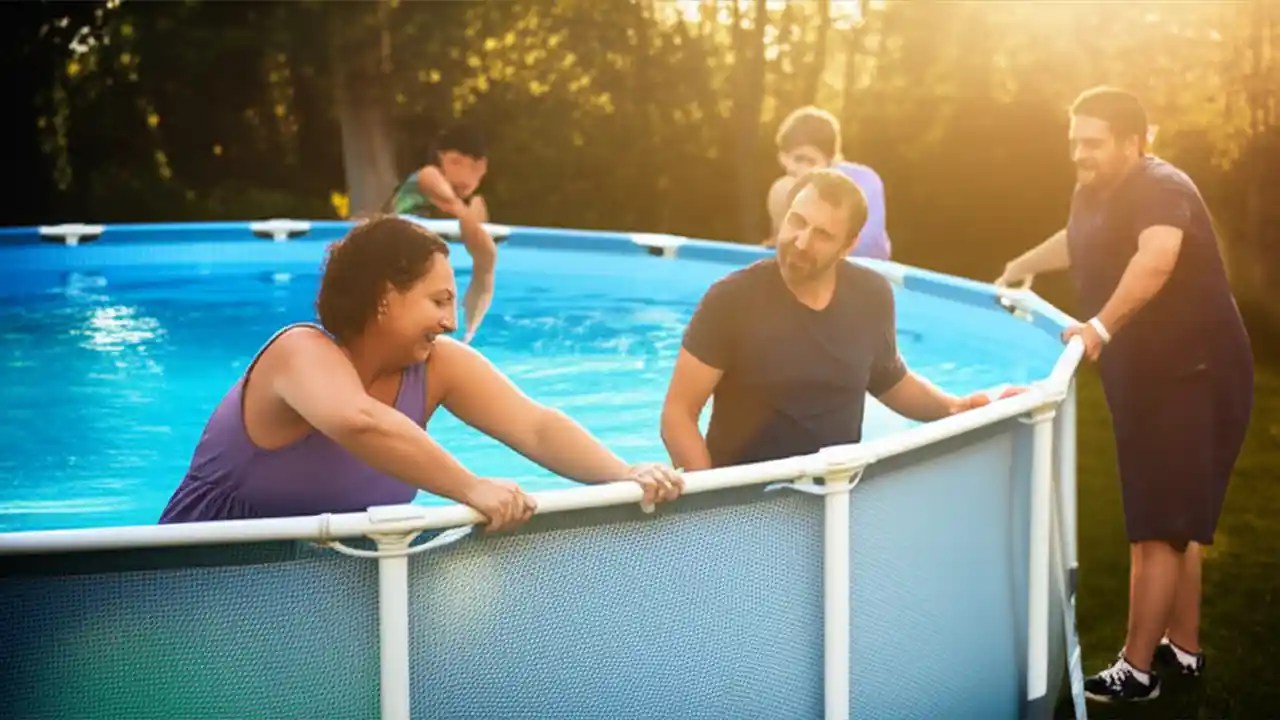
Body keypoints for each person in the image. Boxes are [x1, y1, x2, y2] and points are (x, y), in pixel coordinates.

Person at [160, 216, 683, 531]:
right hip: (197, 577)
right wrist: (470, 486)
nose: (451, 321)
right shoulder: (299, 352)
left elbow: (535, 426)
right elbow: (358, 420)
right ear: (386, 296)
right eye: (438, 300)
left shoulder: (436, 366)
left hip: (313, 600)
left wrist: (623, 472)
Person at [997, 87, 1254, 703]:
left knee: (1156, 524)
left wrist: (1099, 328)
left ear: (1134, 142)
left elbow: (1157, 258)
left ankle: (1136, 672)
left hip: (1194, 373)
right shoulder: (1095, 190)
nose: (1079, 155)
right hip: (1153, 373)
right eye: (1074, 142)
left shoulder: (1160, 187)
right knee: (1176, 520)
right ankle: (1184, 651)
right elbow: (1078, 238)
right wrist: (1018, 265)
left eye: (1092, 143)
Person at [662, 169, 1018, 471]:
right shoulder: (731, 300)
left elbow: (890, 379)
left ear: (848, 245)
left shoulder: (871, 295)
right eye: (797, 222)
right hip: (749, 500)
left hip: (836, 501)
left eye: (822, 234)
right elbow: (677, 415)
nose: (801, 242)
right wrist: (716, 502)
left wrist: (959, 408)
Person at [386, 123, 496, 343]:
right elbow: (451, 205)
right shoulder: (429, 175)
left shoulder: (469, 205)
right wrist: (472, 213)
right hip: (398, 248)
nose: (463, 174)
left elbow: (482, 252)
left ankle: (468, 335)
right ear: (440, 159)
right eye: (455, 162)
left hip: (422, 255)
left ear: (482, 167)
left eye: (473, 166)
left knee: (486, 260)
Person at [764, 106, 892, 260]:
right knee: (781, 189)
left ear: (832, 162)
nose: (797, 169)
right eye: (793, 160)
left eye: (809, 161)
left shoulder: (866, 182)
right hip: (816, 265)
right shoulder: (789, 189)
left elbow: (866, 246)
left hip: (868, 267)